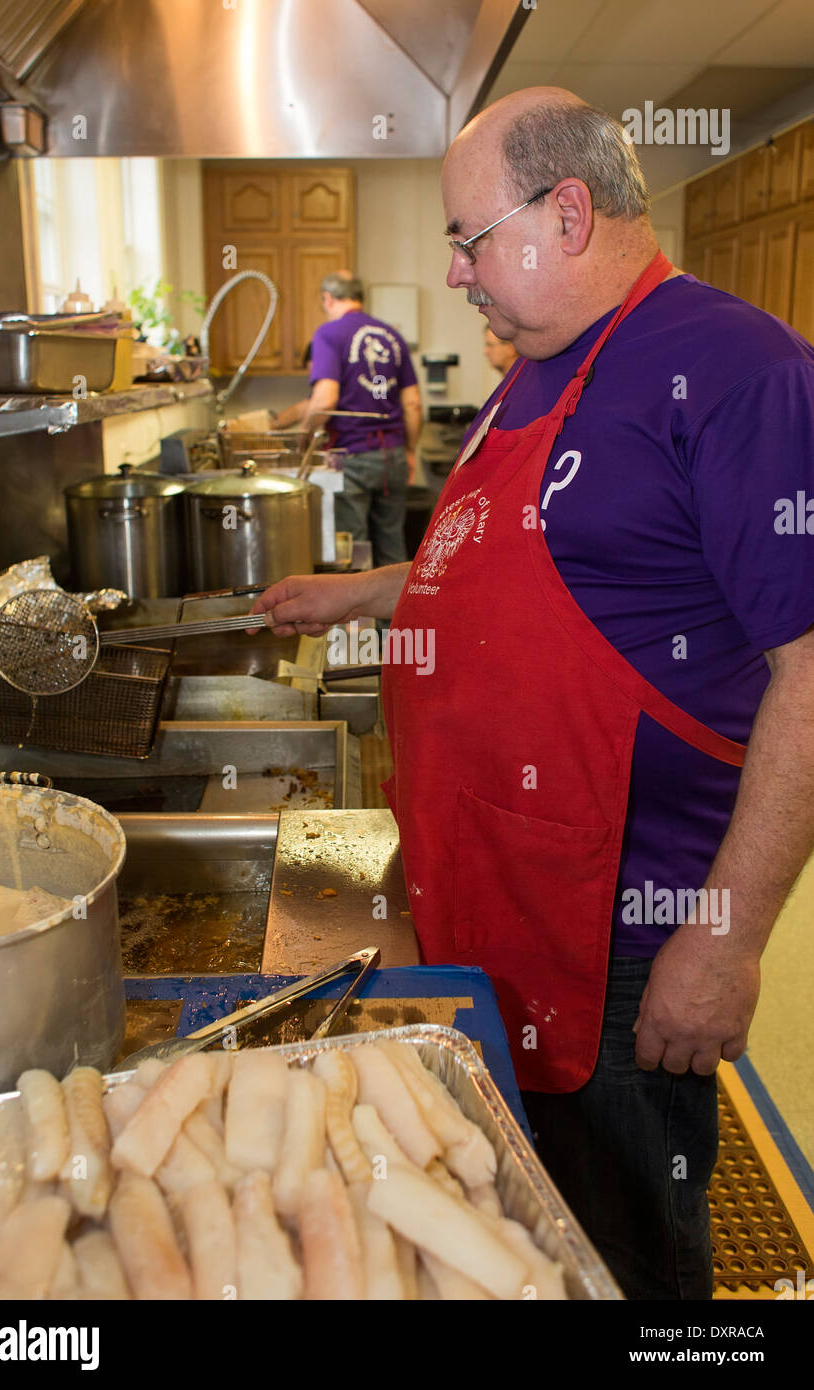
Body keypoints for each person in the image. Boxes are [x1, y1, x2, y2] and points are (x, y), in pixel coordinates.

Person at [251, 89, 814, 1301]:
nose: (453, 274)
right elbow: (525, 551)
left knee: (623, 1248)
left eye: (465, 238)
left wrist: (721, 942)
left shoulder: (733, 369)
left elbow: (808, 672)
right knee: (515, 1229)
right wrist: (359, 594)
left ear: (566, 213)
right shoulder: (534, 373)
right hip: (485, 887)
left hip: (614, 921)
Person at [273, 271, 423, 566]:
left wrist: (303, 436)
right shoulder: (393, 336)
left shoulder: (329, 334)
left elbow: (324, 399)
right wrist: (408, 451)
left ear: (327, 298)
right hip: (391, 456)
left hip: (351, 457)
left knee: (355, 552)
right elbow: (413, 403)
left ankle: (360, 615)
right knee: (391, 547)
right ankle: (398, 614)